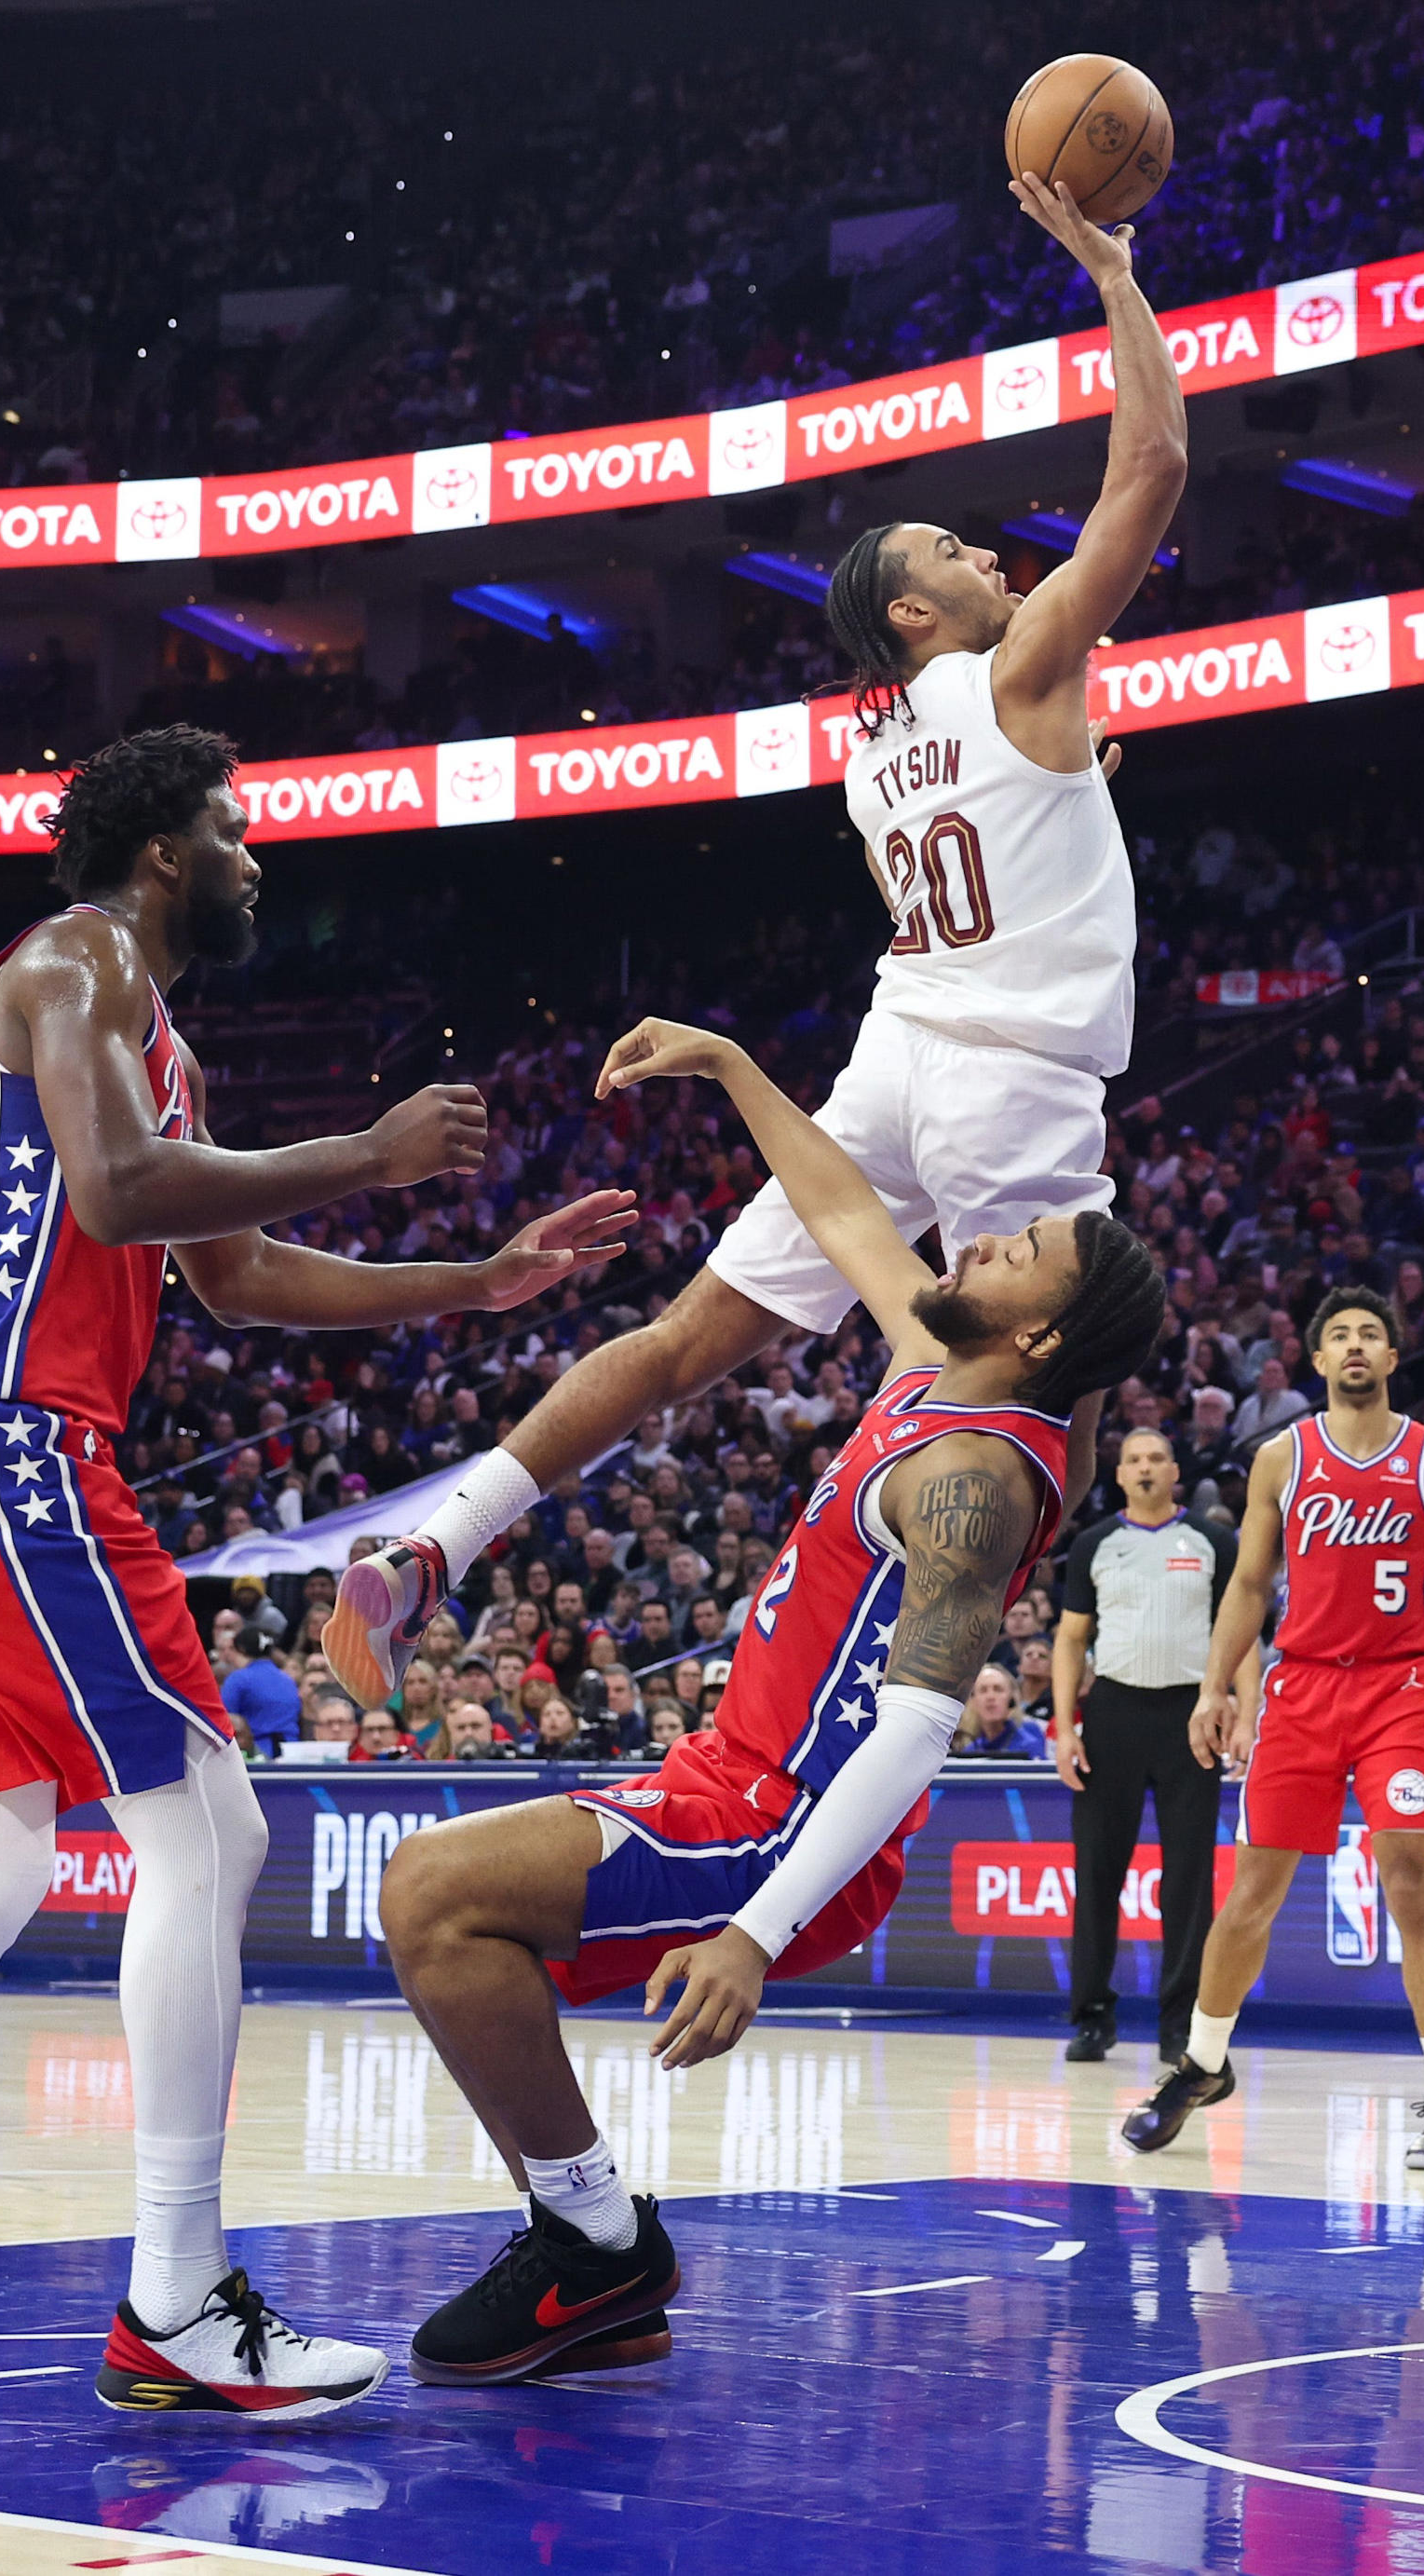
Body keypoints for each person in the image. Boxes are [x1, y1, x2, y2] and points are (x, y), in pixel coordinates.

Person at [0, 723, 627, 2429]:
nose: (254, 858)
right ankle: (176, 2295)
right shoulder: (73, 960)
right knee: (211, 1829)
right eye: (233, 832)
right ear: (162, 851)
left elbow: (231, 1274)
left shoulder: (157, 1038)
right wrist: (371, 1153)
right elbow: (111, 1195)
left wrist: (465, 1283)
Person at [328, 167, 1180, 1708]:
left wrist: (1074, 797)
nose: (990, 559)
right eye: (952, 553)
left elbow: (994, 841)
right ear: (910, 616)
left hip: (897, 1056)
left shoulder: (871, 759)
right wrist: (1111, 273)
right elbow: (1154, 467)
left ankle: (435, 1543)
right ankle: (894, 1697)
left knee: (682, 1342)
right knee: (1035, 1390)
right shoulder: (1021, 672)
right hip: (1014, 1079)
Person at [373, 1015, 1163, 2385]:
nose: (980, 1238)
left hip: (778, 1823)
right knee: (444, 1909)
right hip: (727, 1772)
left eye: (1018, 1246)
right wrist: (731, 1064)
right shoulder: (932, 1357)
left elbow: (916, 1730)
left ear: (1039, 1330)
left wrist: (754, 1932)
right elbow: (841, 1203)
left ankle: (593, 2247)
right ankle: (594, 2247)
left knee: (431, 1894)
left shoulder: (974, 1478)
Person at [1127, 1287, 1424, 2171]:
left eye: (1369, 1334)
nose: (1354, 1345)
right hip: (1300, 1689)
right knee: (1253, 1892)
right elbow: (1247, 1584)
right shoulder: (1281, 1456)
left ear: (1391, 1358)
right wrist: (1212, 1688)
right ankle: (1201, 2063)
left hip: (1397, 1689)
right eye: (1339, 1335)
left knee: (1408, 1878)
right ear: (1315, 1360)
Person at [1051, 1425, 1235, 2065]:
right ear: (1120, 1473)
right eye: (1134, 1459)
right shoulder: (1095, 1544)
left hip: (1190, 1715)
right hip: (1114, 1713)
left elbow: (1240, 1635)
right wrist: (1065, 1728)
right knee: (1098, 1870)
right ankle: (1091, 2017)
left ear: (1175, 1470)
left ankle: (1180, 2025)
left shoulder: (1213, 1541)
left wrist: (1246, 1714)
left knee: (1188, 1878)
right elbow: (1070, 1639)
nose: (1146, 1467)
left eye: (1157, 1457)